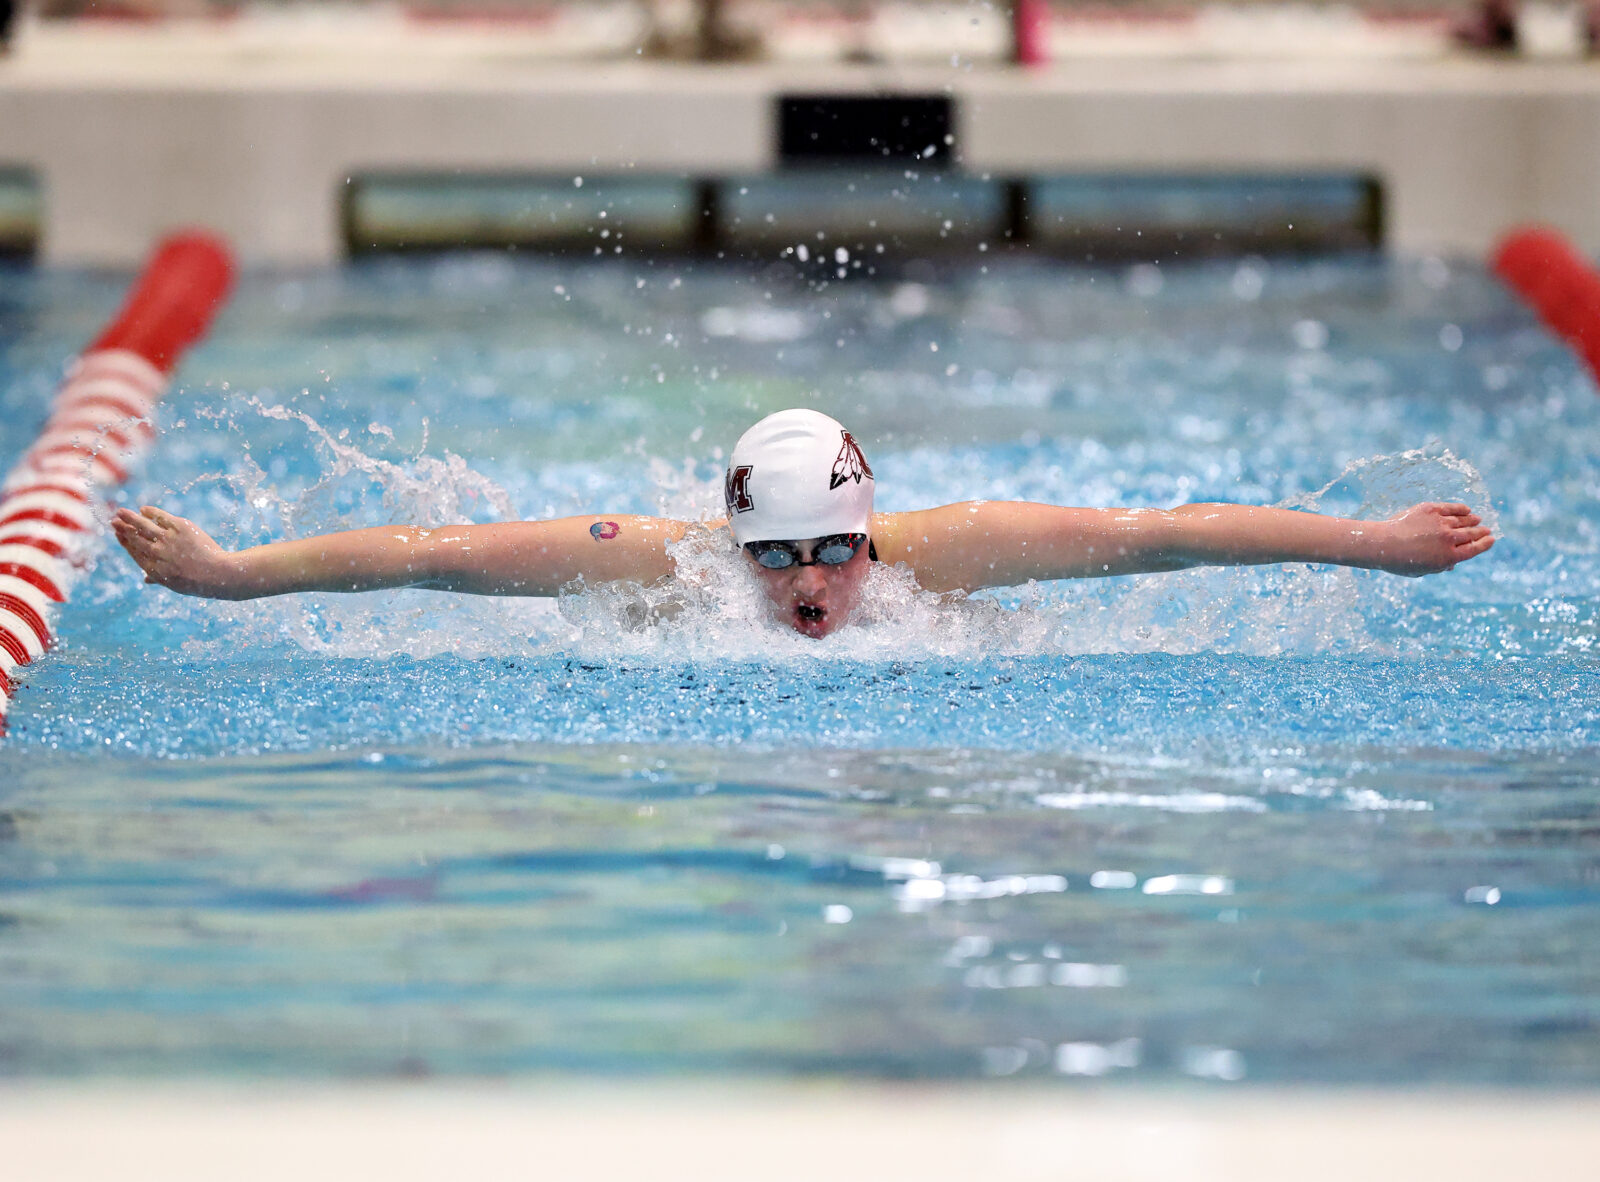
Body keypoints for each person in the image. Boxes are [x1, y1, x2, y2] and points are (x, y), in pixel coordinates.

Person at [113, 408, 1495, 640]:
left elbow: (1160, 534)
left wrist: (1371, 542)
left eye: (829, 548)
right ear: (732, 540)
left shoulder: (942, 550)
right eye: (772, 557)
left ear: (868, 524)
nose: (809, 585)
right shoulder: (673, 567)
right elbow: (430, 558)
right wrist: (233, 575)